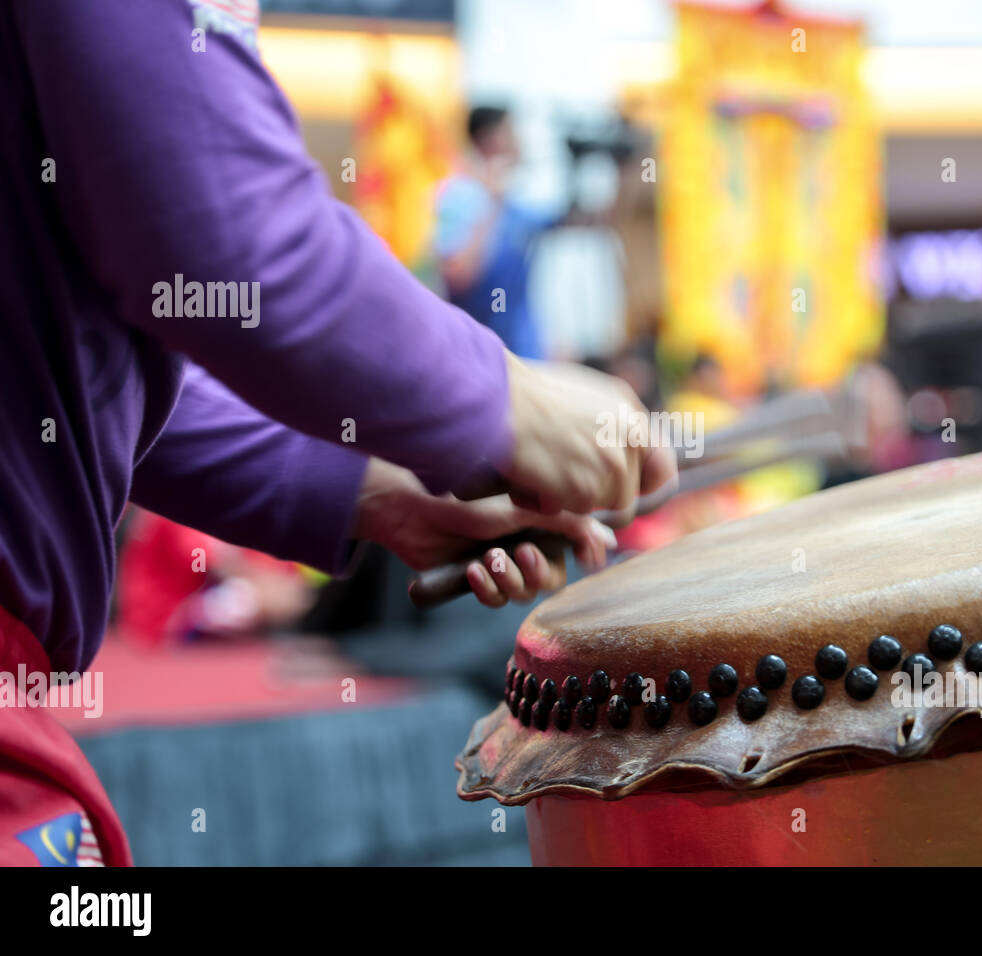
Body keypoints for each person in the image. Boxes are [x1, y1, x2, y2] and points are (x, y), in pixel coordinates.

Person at [0, 1, 673, 867]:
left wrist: (371, 487)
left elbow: (81, 372)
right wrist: (507, 395)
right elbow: (229, 242)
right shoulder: (461, 197)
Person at [435, 106, 559, 359]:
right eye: (510, 132)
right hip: (476, 356)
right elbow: (458, 275)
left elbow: (589, 221)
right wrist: (490, 204)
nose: (518, 141)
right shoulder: (457, 197)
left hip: (526, 356)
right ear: (490, 140)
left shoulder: (517, 206)